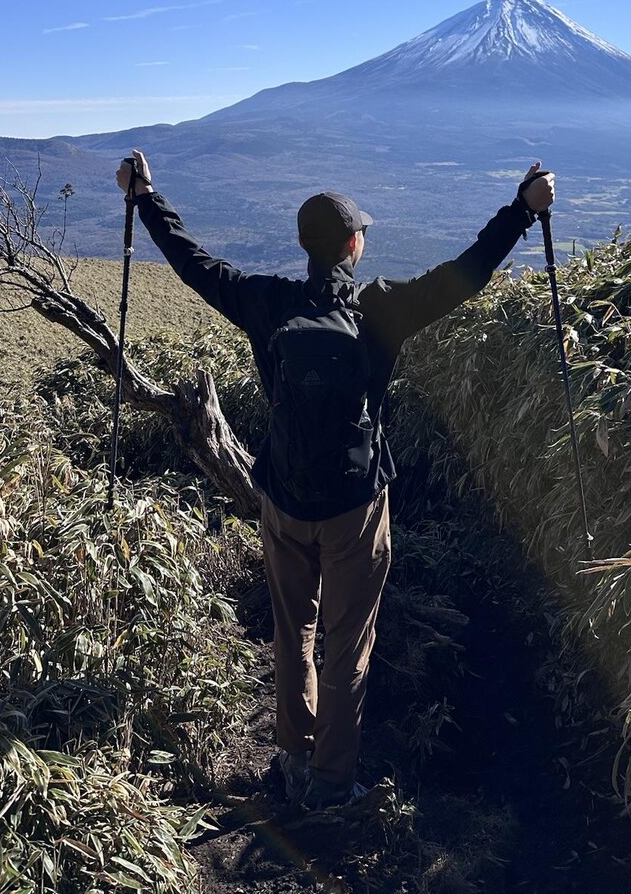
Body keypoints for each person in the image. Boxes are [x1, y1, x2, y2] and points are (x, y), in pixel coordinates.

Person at [115, 150, 555, 809]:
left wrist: (145, 198)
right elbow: (467, 274)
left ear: (305, 246)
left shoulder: (267, 302)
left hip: (285, 500)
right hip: (355, 506)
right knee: (348, 645)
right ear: (354, 245)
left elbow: (192, 263)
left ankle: (293, 757)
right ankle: (331, 783)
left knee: (294, 634)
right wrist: (524, 210)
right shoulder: (384, 309)